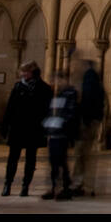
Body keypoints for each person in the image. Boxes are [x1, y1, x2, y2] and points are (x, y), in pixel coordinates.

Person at [1, 61, 51, 197]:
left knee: (31, 159)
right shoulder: (18, 87)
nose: (22, 74)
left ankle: (25, 186)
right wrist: (5, 126)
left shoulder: (44, 88)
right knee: (13, 158)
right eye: (22, 71)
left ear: (32, 72)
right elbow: (10, 108)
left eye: (24, 71)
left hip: (33, 128)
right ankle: (7, 184)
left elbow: (47, 110)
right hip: (18, 127)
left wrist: (45, 128)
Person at [41, 69, 79, 200]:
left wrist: (61, 124)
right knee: (54, 162)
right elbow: (52, 111)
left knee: (60, 161)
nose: (54, 82)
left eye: (57, 79)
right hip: (54, 132)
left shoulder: (70, 93)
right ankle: (53, 187)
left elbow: (70, 113)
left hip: (62, 134)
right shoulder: (59, 94)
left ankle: (65, 188)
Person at [72, 60, 105, 196]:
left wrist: (83, 120)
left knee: (81, 154)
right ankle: (87, 185)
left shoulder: (88, 80)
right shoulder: (97, 84)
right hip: (92, 122)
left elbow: (86, 103)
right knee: (87, 156)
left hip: (86, 124)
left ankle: (79, 184)